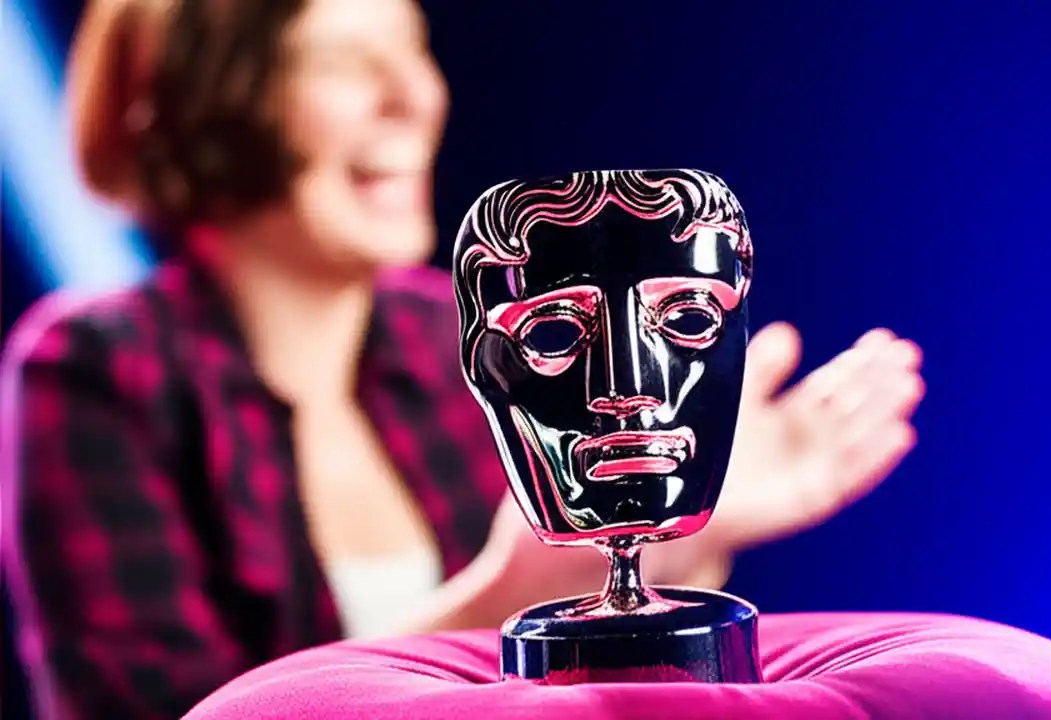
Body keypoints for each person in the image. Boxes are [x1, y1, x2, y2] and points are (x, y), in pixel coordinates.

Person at [0, 0, 924, 718]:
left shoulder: (465, 331)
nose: (415, 98)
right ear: (200, 103)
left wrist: (676, 541)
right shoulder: (95, 368)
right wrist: (507, 600)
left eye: (411, 52)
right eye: (339, 62)